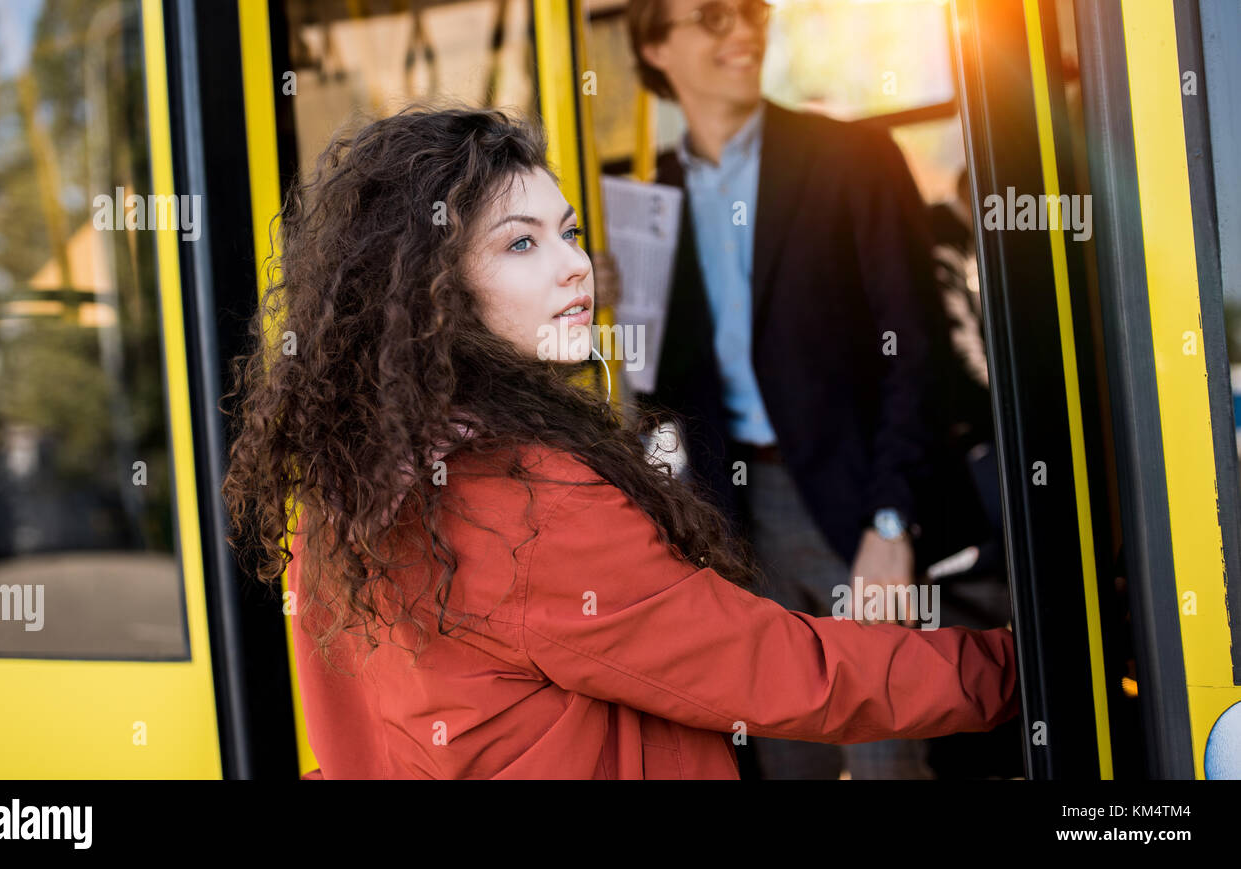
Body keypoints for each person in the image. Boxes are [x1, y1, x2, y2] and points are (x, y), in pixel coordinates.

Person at [220, 105, 1019, 779]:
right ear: (433, 293)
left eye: (569, 234)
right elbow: (776, 670)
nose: (577, 267)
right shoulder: (529, 506)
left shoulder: (343, 494)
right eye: (521, 243)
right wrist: (1008, 671)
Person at [625, 0, 955, 779]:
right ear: (655, 49)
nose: (744, 31)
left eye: (752, 11)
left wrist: (890, 523)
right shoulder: (645, 204)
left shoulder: (854, 158)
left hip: (855, 499)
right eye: (712, 16)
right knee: (781, 762)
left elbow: (917, 349)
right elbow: (656, 399)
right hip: (729, 519)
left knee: (889, 758)